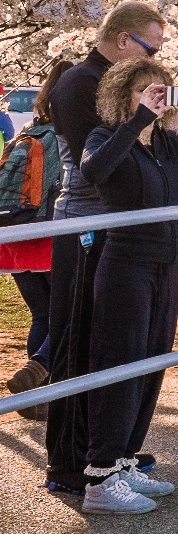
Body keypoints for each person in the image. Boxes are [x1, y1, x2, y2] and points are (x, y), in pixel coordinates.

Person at [76, 59, 178, 513]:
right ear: (123, 94)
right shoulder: (106, 136)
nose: (158, 97)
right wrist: (141, 117)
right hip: (125, 264)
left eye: (163, 91)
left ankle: (125, 461)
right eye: (147, 90)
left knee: (150, 365)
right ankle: (99, 479)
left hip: (166, 265)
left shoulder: (166, 142)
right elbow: (96, 172)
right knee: (121, 365)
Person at [43, 1, 167, 494]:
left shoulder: (106, 83)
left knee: (119, 346)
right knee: (80, 341)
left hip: (117, 228)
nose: (154, 59)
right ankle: (73, 461)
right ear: (122, 41)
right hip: (87, 228)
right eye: (150, 48)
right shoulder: (79, 83)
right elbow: (97, 163)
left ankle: (113, 451)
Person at [2, 59, 72, 420]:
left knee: (41, 315)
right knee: (69, 312)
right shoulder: (69, 135)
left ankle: (35, 398)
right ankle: (41, 376)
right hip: (51, 235)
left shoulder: (28, 130)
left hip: (17, 236)